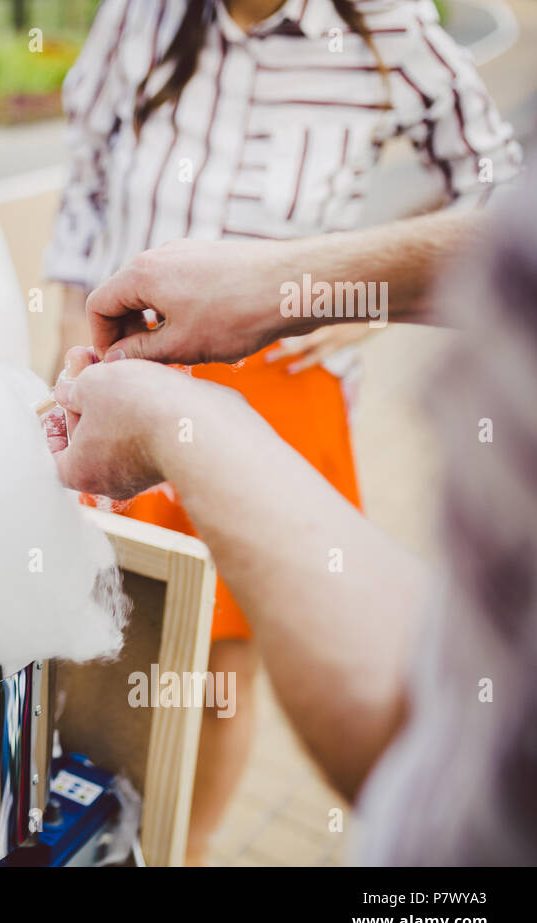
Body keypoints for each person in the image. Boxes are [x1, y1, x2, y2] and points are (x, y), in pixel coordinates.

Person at [43, 0, 521, 863]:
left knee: (225, 673)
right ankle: (113, 840)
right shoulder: (138, 16)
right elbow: (88, 177)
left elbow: (496, 173)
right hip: (122, 374)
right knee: (115, 649)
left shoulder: (387, 22)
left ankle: (186, 852)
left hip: (283, 392)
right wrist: (63, 333)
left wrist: (359, 292)